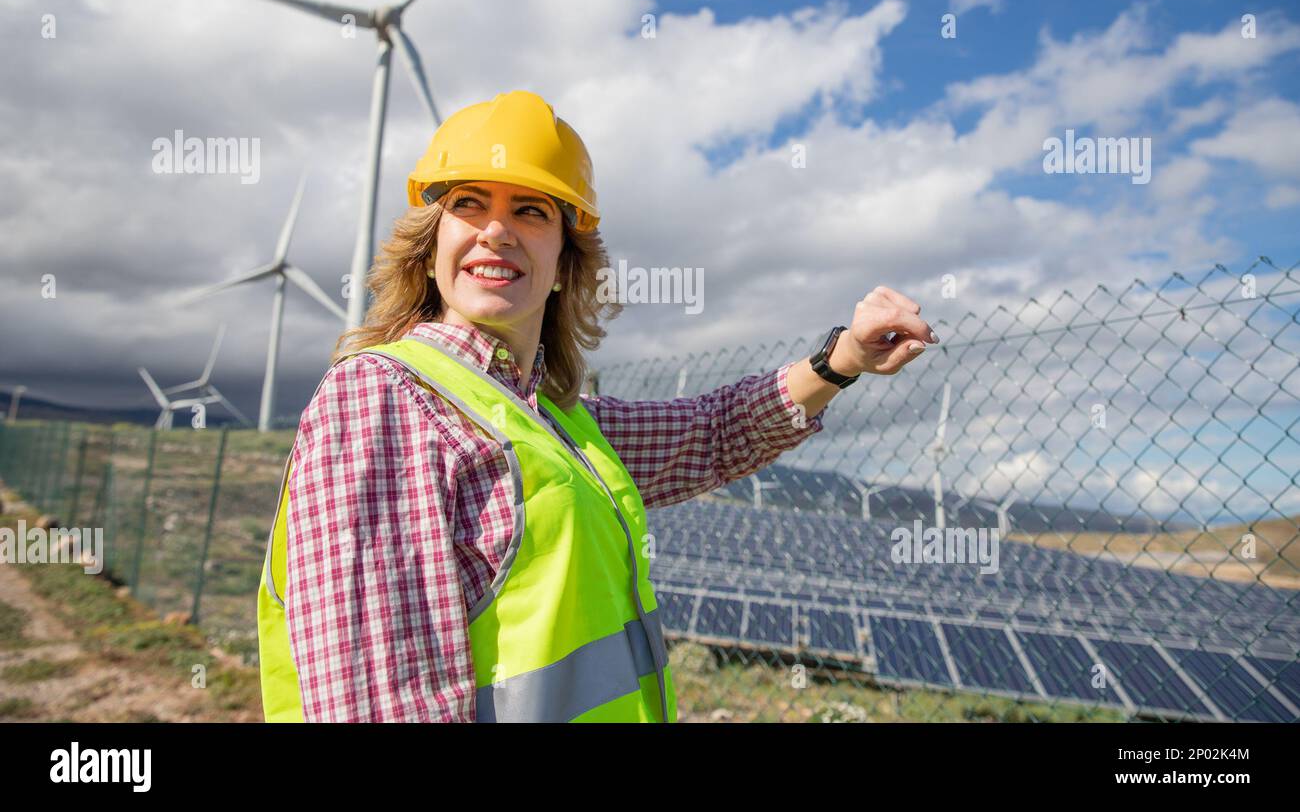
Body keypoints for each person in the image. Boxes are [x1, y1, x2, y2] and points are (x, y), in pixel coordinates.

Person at [255, 90, 936, 722]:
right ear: (430, 242)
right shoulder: (385, 398)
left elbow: (711, 432)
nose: (496, 231)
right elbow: (381, 703)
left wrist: (841, 360)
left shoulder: (555, 418)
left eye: (530, 210)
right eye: (468, 203)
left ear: (565, 261)